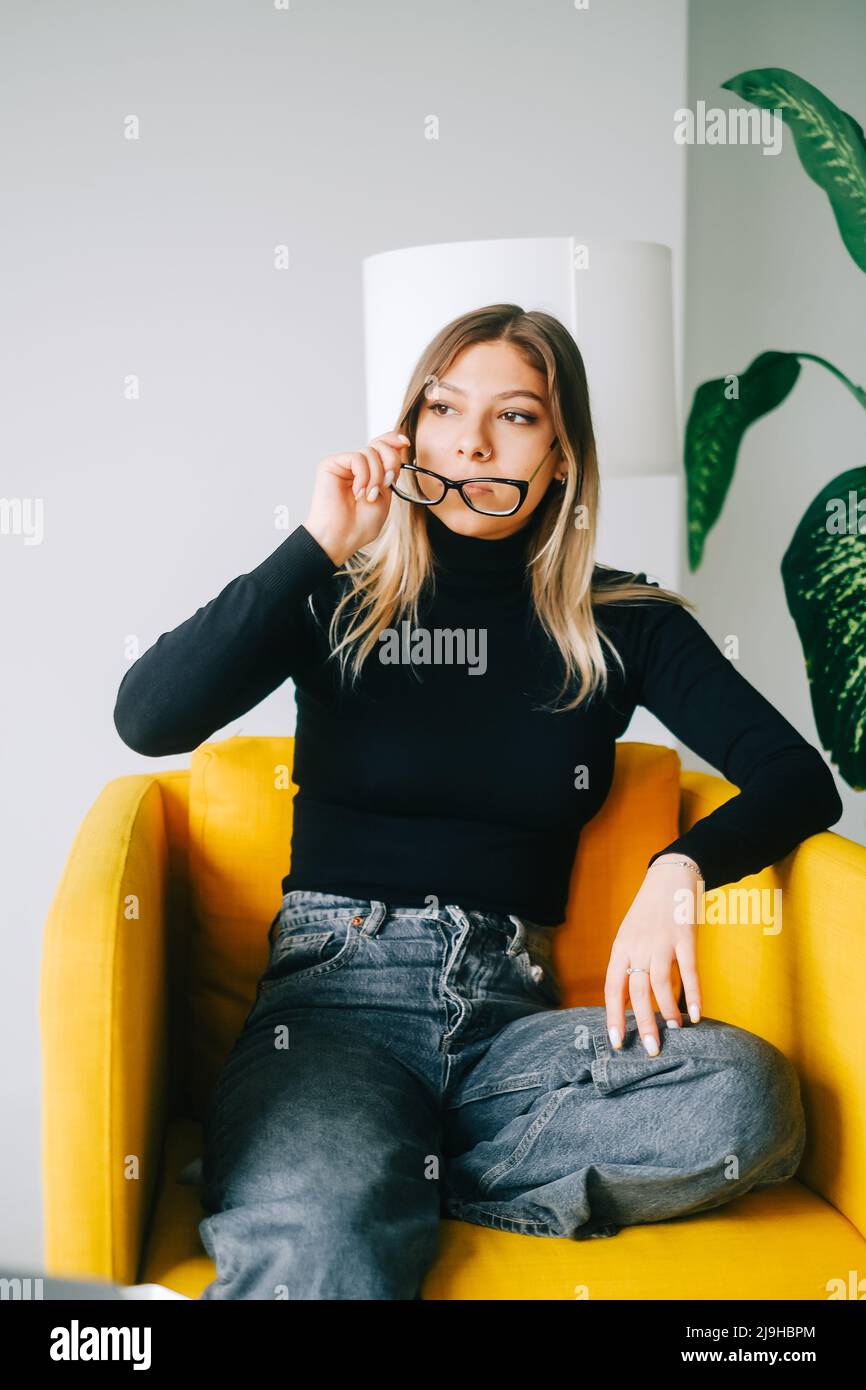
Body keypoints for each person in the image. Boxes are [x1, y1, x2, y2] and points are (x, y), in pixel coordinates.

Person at [113, 304, 843, 1300]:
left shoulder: (621, 623)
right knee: (323, 1252)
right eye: (445, 406)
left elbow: (795, 777)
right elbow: (148, 718)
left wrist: (676, 870)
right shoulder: (336, 597)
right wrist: (317, 541)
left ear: (559, 458)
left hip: (513, 1027)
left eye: (515, 416)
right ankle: (330, 1181)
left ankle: (361, 1176)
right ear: (409, 427)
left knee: (746, 1097)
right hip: (333, 1008)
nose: (470, 439)